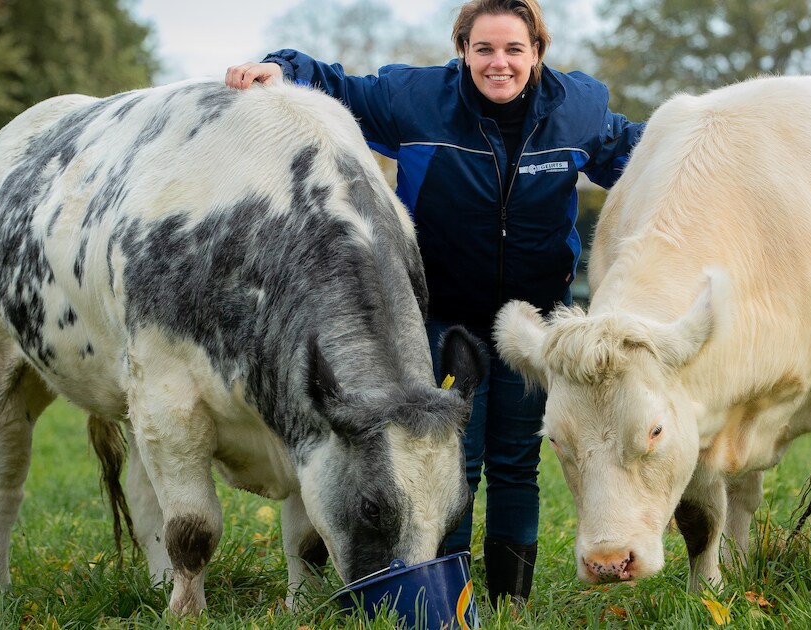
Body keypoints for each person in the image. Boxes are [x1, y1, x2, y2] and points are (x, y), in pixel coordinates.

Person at [226, 0, 643, 607]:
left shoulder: (578, 110)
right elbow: (340, 86)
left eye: (513, 50)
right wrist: (275, 67)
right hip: (446, 323)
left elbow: (642, 155)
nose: (498, 63)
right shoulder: (415, 99)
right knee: (454, 462)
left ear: (538, 53)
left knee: (515, 464)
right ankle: (448, 598)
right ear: (462, 52)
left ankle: (510, 603)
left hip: (534, 327)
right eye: (484, 50)